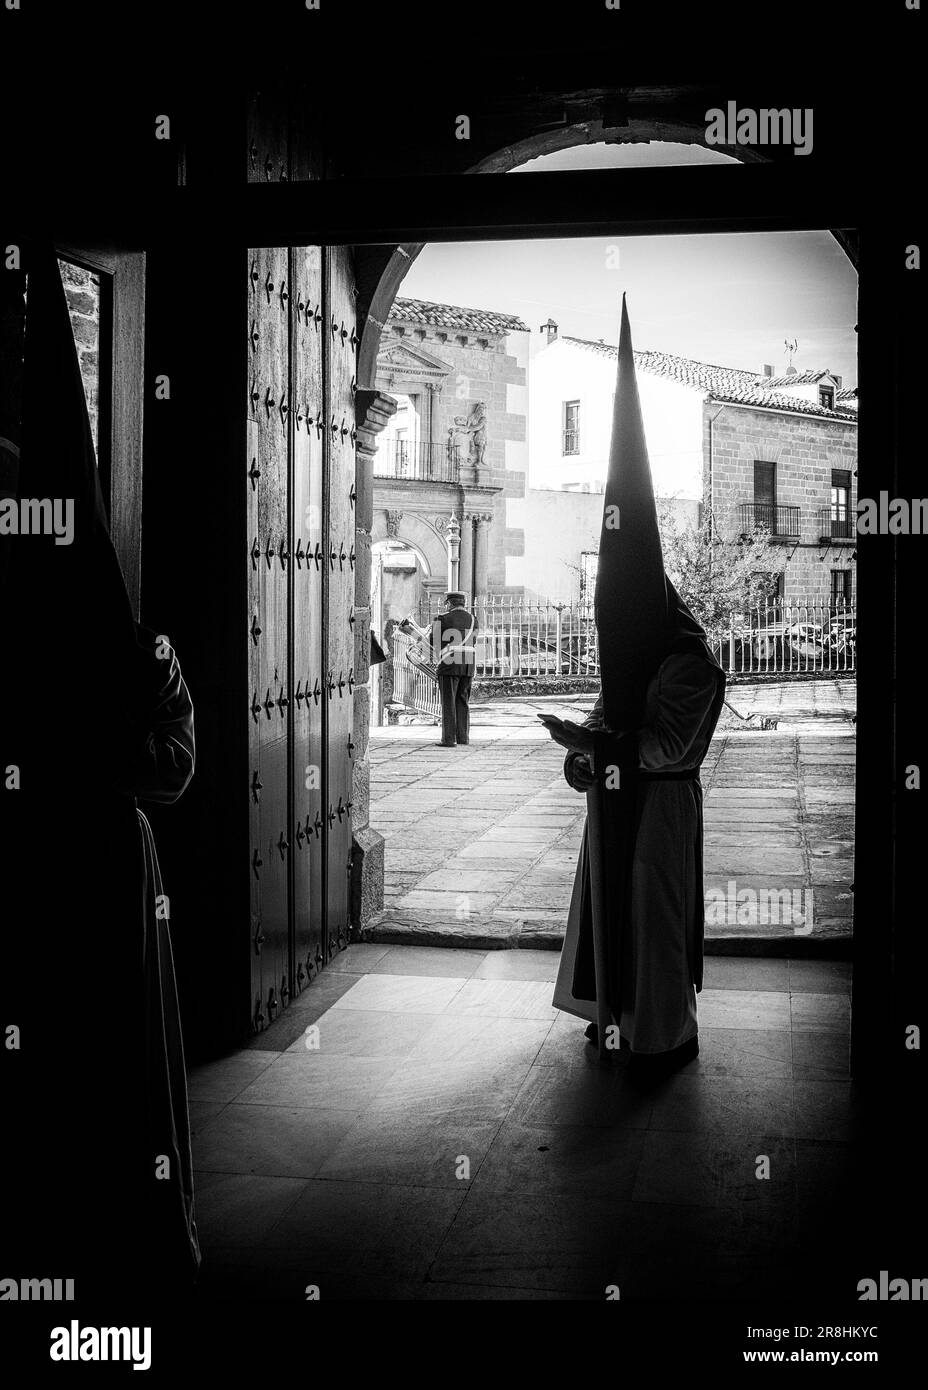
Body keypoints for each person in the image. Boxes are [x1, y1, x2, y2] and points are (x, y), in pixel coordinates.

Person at [544, 578, 725, 1084]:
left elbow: (668, 746)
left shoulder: (690, 663)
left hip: (661, 805)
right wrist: (579, 763)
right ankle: (615, 1016)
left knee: (655, 917)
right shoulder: (634, 658)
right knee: (609, 911)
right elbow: (602, 725)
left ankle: (664, 1036)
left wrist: (589, 745)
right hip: (615, 803)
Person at [434, 590, 477, 747]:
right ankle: (463, 737)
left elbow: (434, 641)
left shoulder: (442, 619)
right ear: (463, 604)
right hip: (468, 665)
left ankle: (448, 739)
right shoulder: (474, 619)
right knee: (462, 701)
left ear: (449, 603)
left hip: (449, 665)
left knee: (448, 702)